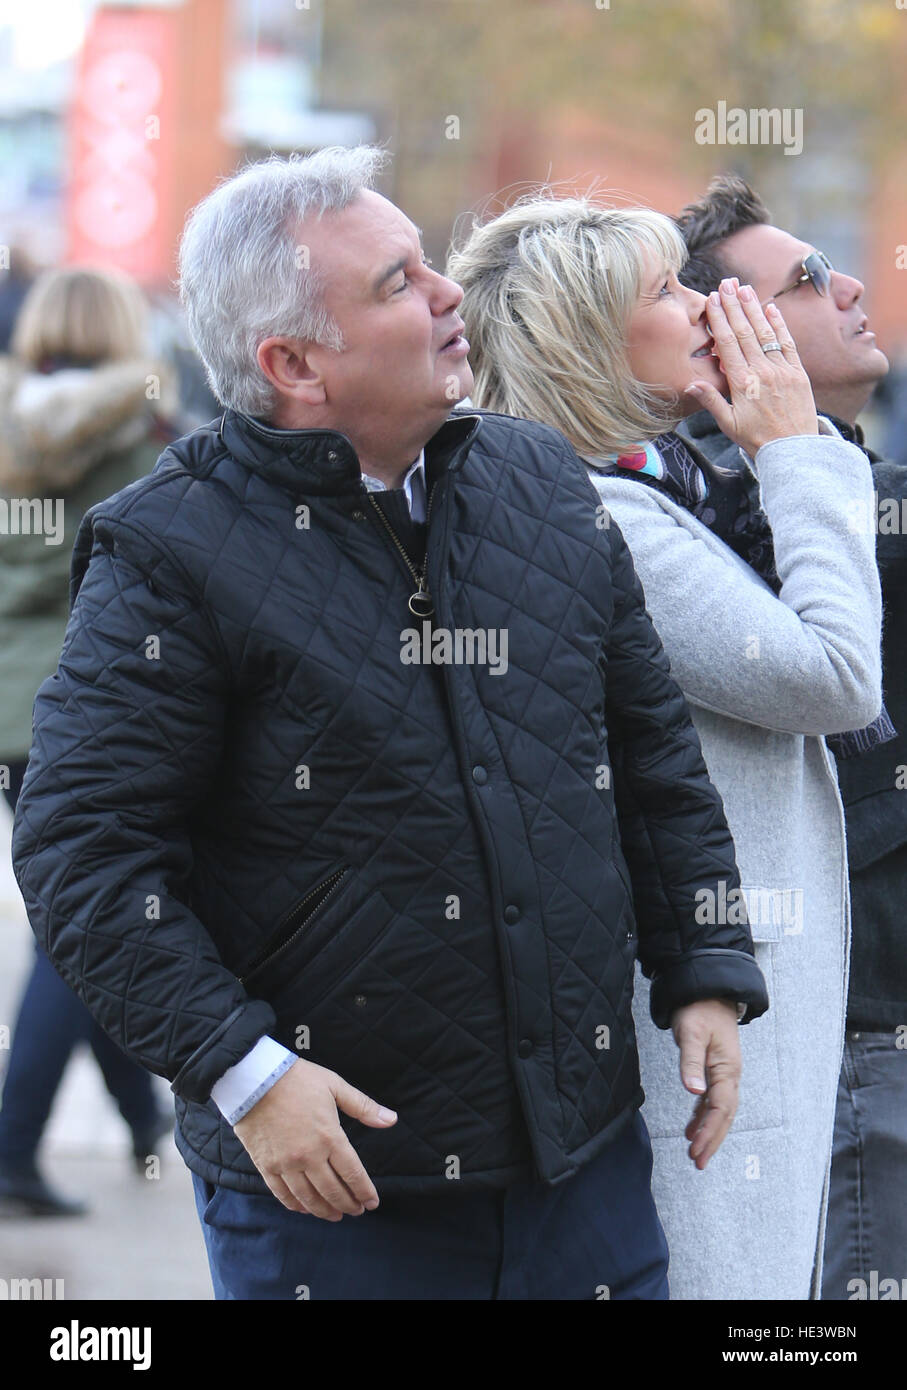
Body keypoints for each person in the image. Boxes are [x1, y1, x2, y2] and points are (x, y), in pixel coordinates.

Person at [11, 146, 768, 1301]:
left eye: (426, 263)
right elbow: (85, 849)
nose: (447, 293)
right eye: (396, 282)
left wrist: (705, 964)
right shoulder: (168, 548)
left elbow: (645, 750)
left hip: (582, 1168)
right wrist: (246, 1072)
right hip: (341, 1198)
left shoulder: (538, 480)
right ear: (292, 363)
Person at [448, 194, 884, 1299]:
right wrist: (798, 449)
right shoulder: (610, 515)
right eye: (666, 291)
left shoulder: (653, 491)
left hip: (734, 1002)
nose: (704, 308)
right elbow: (831, 679)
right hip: (702, 1027)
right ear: (585, 340)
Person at [675, 174, 907, 1302]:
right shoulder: (717, 525)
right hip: (852, 1021)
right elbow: (830, 688)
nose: (852, 286)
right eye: (807, 279)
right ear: (722, 336)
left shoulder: (850, 490)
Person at [0, 266, 178, 1215]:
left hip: (8, 710)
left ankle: (139, 1116)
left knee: (82, 908)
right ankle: (11, 1148)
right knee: (82, 930)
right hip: (90, 707)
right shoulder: (139, 439)